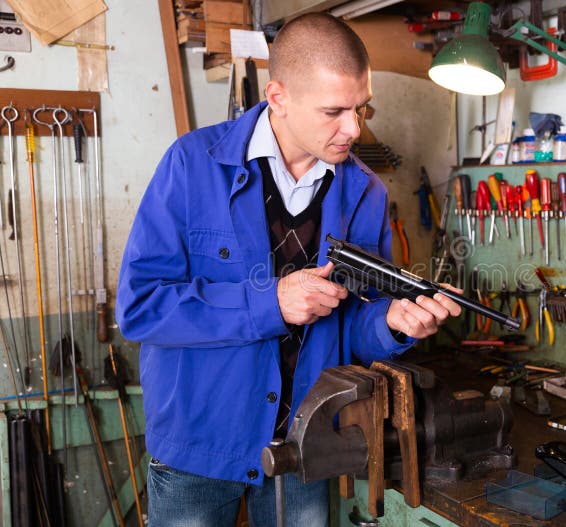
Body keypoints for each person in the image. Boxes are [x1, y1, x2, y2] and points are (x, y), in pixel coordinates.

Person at [116, 11, 460, 527]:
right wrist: (270, 302)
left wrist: (391, 323)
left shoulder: (364, 192)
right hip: (199, 447)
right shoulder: (192, 165)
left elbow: (352, 327)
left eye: (361, 108)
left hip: (306, 442)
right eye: (334, 111)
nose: (354, 128)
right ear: (277, 97)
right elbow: (141, 308)